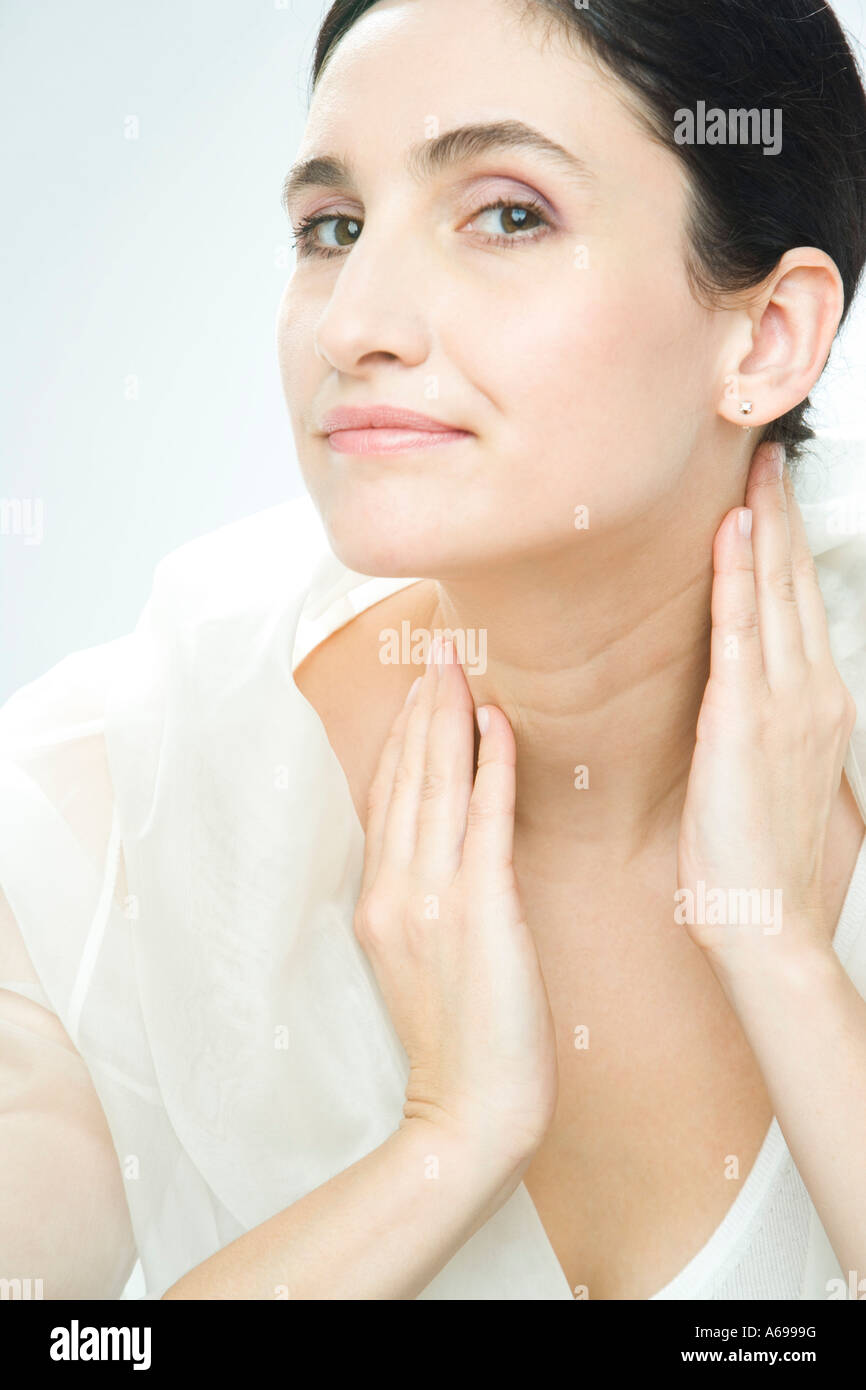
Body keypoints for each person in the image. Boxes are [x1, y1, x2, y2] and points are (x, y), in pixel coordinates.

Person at [2, 0, 866, 1301]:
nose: (353, 323)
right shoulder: (99, 816)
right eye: (331, 229)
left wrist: (790, 966)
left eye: (507, 213)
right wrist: (446, 1137)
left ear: (764, 339)